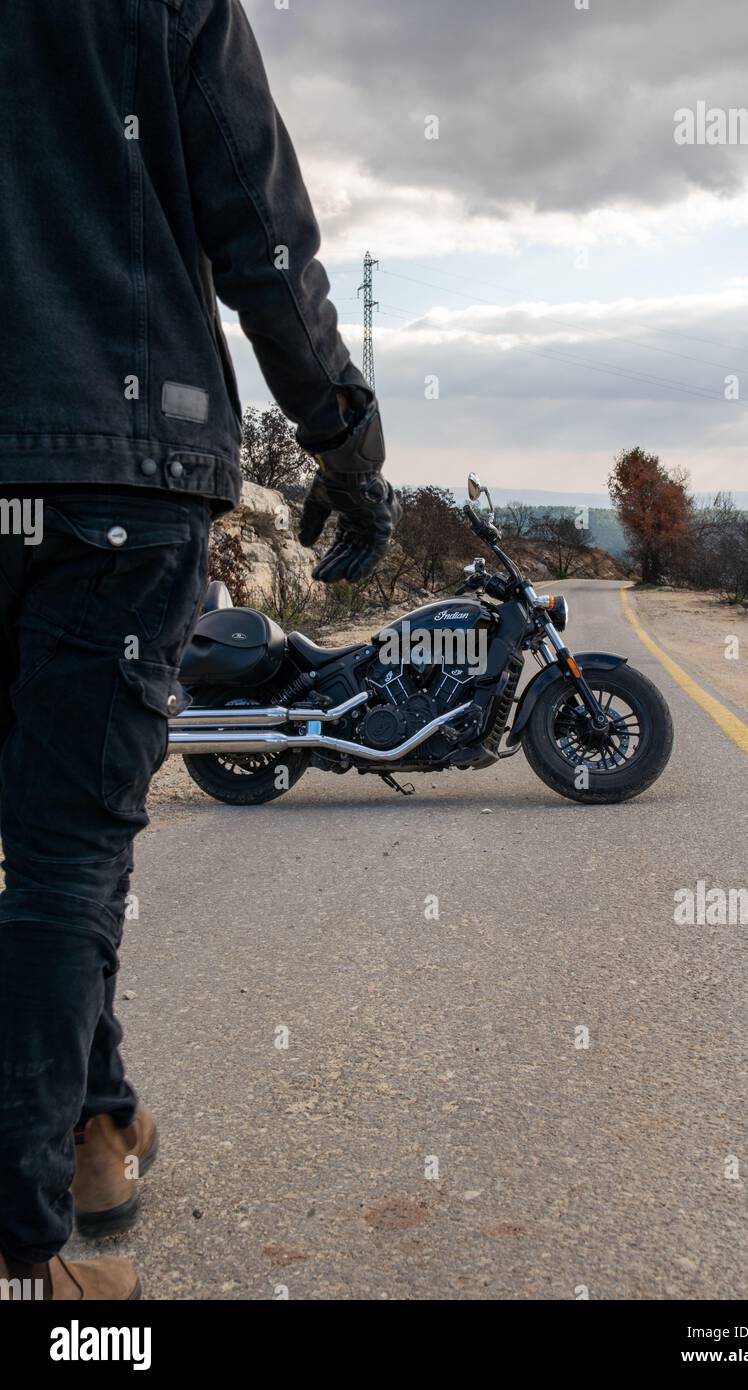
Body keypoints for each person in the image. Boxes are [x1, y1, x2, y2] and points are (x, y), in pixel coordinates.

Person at [0, 0, 399, 1302]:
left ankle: (98, 1126)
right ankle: (36, 1245)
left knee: (49, 837)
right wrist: (342, 432)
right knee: (64, 840)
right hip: (115, 466)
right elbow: (258, 225)